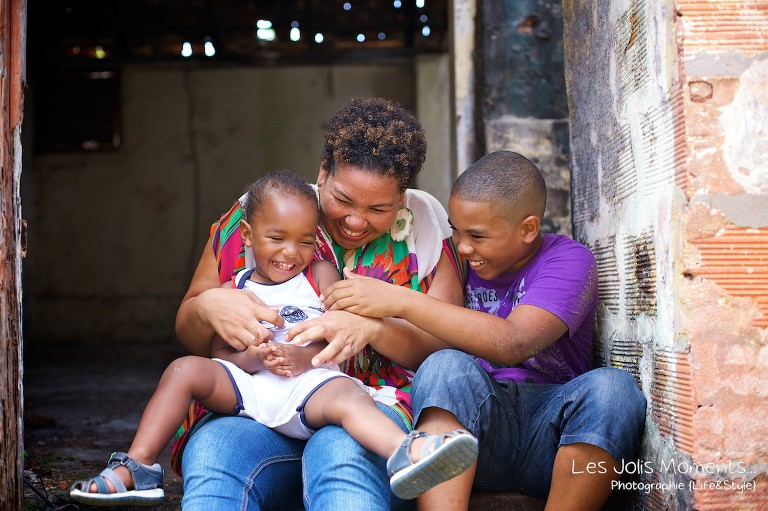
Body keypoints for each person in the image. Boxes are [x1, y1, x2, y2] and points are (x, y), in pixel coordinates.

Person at [69, 171, 478, 507]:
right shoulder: (236, 284)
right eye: (277, 239)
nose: (291, 252)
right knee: (184, 371)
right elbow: (218, 350)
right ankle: (138, 466)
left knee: (347, 400)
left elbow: (336, 327)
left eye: (304, 241)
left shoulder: (319, 273)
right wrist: (253, 355)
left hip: (311, 385)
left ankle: (406, 450)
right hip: (252, 392)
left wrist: (303, 357)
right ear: (248, 235)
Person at [173, 98, 466, 510]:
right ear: (323, 172)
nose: (356, 221)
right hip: (256, 405)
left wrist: (375, 329)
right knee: (214, 456)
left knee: (339, 456)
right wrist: (206, 308)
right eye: (343, 200)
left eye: (379, 208)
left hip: (368, 412)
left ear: (402, 197)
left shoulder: (423, 223)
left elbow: (444, 347)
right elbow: (189, 332)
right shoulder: (261, 214)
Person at [320, 150, 648, 510]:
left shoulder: (568, 259)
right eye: (456, 231)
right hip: (472, 434)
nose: (462, 246)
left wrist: (400, 301)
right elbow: (431, 352)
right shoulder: (456, 258)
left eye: (476, 235)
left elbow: (514, 342)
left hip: (553, 434)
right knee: (444, 365)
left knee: (615, 389)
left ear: (528, 229)